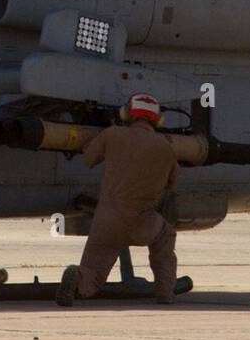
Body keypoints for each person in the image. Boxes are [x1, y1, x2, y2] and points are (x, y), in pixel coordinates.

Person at [56, 93, 181, 307]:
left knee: (93, 271)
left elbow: (88, 159)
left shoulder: (112, 134)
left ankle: (78, 279)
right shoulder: (165, 147)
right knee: (165, 236)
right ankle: (165, 292)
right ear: (157, 120)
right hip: (143, 221)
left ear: (126, 114)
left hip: (107, 220)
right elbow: (173, 182)